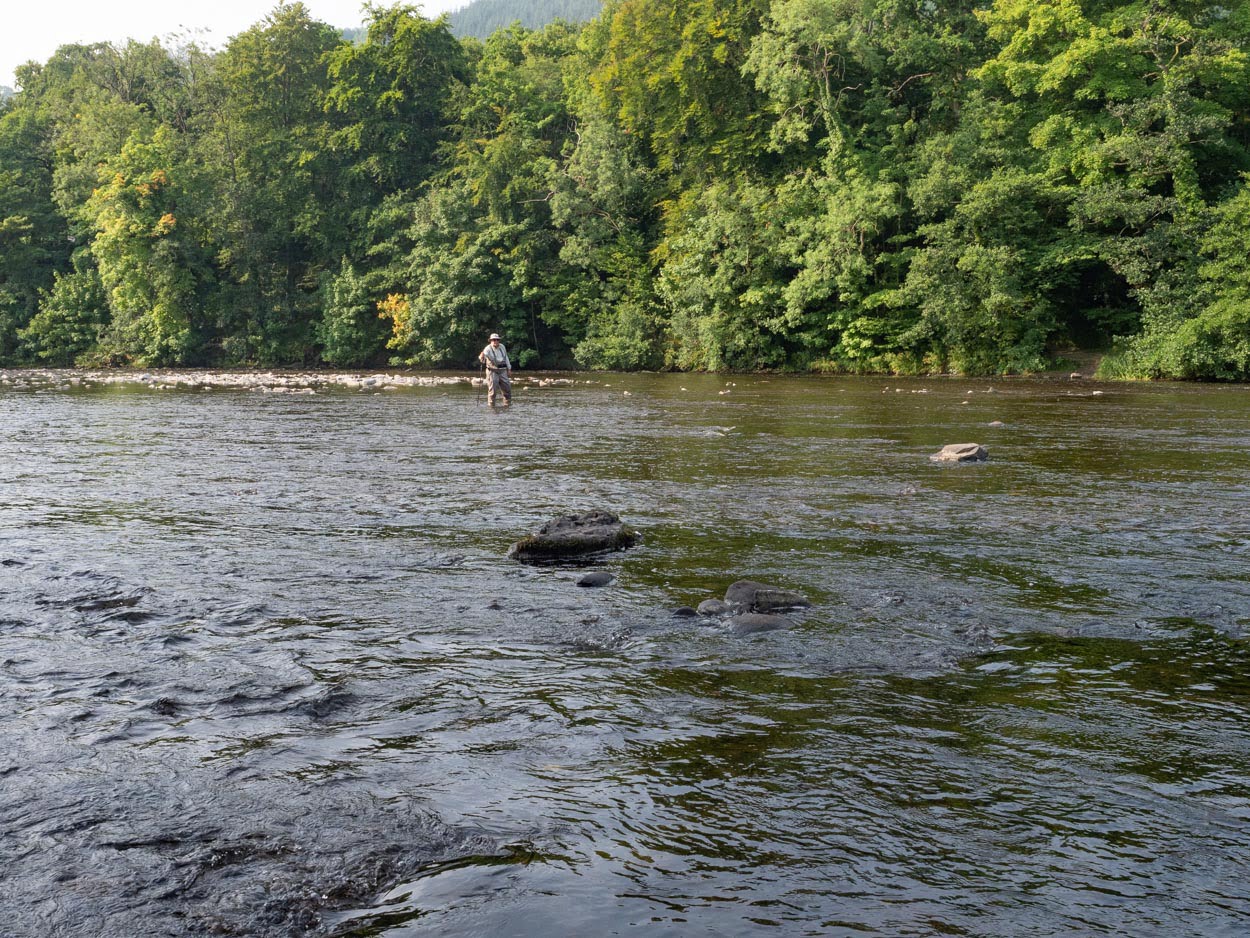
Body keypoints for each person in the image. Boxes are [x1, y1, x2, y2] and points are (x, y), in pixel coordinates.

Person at [478, 332, 512, 406]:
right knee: (492, 392)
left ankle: (507, 406)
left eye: (497, 340)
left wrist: (509, 369)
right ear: (490, 341)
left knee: (507, 390)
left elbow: (506, 357)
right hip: (492, 371)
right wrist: (481, 357)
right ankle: (491, 407)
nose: (496, 341)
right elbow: (482, 359)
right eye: (494, 340)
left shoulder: (502, 347)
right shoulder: (487, 349)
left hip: (503, 370)